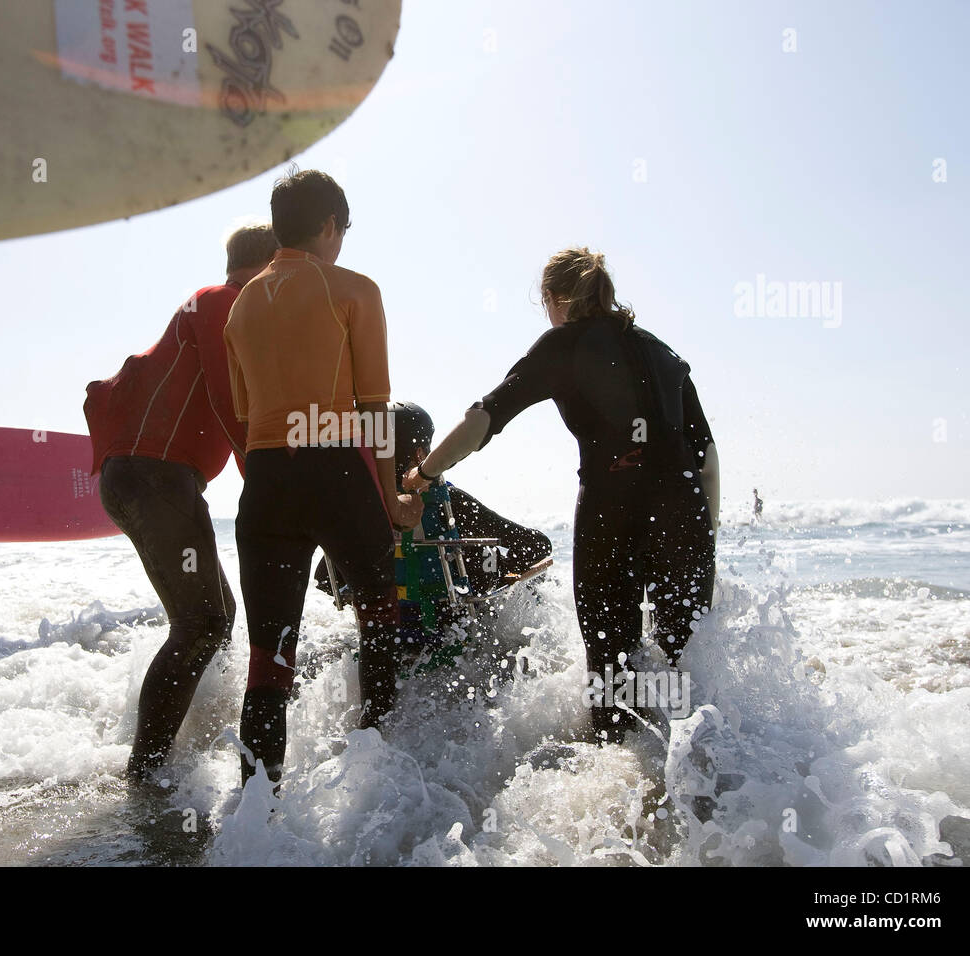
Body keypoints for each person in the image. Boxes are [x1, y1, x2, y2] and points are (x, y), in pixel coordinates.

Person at [405, 248, 719, 743]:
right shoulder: (661, 351)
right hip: (686, 516)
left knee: (611, 671)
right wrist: (706, 538)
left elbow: (486, 417)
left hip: (612, 510)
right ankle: (711, 790)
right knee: (682, 666)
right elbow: (706, 457)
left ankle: (621, 797)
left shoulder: (562, 345)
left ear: (552, 298)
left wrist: (425, 472)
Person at [223, 169, 422, 785]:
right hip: (333, 472)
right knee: (380, 619)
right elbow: (375, 409)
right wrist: (390, 498)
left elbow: (245, 410)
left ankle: (257, 812)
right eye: (342, 231)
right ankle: (376, 778)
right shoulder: (354, 289)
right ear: (330, 226)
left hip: (264, 488)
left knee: (268, 657)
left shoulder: (241, 306)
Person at [84, 224, 279, 781]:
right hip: (153, 477)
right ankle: (145, 773)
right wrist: (261, 477)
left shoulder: (217, 303)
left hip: (155, 479)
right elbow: (228, 395)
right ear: (267, 263)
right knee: (200, 623)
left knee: (216, 619)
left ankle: (183, 748)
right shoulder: (224, 303)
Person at [315, 401, 553, 651]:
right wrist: (497, 574)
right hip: (452, 632)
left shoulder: (363, 509)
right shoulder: (448, 503)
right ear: (420, 454)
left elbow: (324, 579)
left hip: (391, 634)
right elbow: (537, 546)